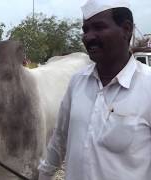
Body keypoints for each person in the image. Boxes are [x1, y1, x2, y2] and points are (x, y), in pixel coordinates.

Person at [38, 0, 151, 180]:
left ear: (126, 29)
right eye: (85, 29)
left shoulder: (147, 85)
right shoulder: (77, 82)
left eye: (99, 27)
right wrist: (42, 175)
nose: (88, 37)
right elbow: (59, 140)